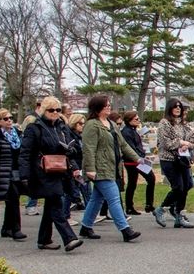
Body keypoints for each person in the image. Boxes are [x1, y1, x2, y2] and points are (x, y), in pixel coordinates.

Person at [20, 96, 82, 252]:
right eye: (51, 110)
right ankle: (69, 237)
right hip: (42, 171)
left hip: (60, 170)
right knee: (56, 203)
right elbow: (25, 153)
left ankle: (44, 239)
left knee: (51, 205)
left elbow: (72, 149)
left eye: (58, 110)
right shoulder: (34, 128)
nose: (55, 113)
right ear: (43, 110)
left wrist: (72, 160)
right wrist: (24, 175)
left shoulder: (62, 127)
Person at [78, 95, 141, 243]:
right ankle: (125, 229)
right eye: (105, 105)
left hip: (112, 166)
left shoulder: (111, 124)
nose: (108, 107)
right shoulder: (92, 125)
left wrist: (137, 158)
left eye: (108, 105)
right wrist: (90, 168)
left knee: (96, 199)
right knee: (114, 198)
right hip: (100, 168)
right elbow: (89, 148)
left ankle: (86, 227)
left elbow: (123, 144)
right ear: (97, 108)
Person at [0, 108, 26, 241]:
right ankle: (16, 229)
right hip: (4, 173)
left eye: (10, 118)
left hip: (18, 171)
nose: (9, 121)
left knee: (12, 200)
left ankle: (6, 228)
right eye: (5, 119)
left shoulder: (18, 134)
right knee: (13, 199)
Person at [155, 97, 194, 229]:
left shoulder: (183, 124)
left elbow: (192, 140)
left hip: (183, 159)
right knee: (178, 187)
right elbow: (165, 143)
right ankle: (161, 208)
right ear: (169, 108)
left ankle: (178, 213)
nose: (178, 108)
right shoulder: (164, 123)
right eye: (175, 106)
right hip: (169, 160)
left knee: (187, 185)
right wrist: (181, 143)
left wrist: (188, 145)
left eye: (180, 106)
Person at [120, 110, 155, 215]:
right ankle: (147, 204)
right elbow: (130, 148)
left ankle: (131, 206)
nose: (138, 120)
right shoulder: (126, 132)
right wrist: (141, 157)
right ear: (129, 120)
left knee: (132, 183)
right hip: (134, 161)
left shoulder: (133, 130)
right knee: (150, 179)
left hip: (137, 160)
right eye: (136, 119)